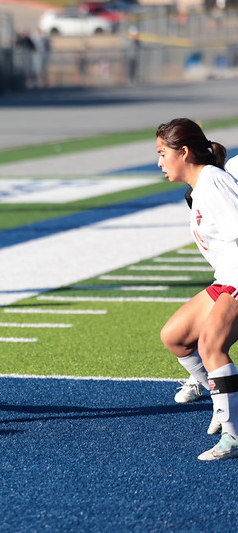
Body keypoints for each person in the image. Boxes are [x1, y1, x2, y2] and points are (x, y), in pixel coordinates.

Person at [157, 118, 238, 461]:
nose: (159, 162)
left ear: (184, 151)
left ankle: (233, 433)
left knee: (211, 345)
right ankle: (225, 401)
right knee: (175, 337)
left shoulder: (215, 182)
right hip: (226, 278)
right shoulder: (200, 186)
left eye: (162, 153)